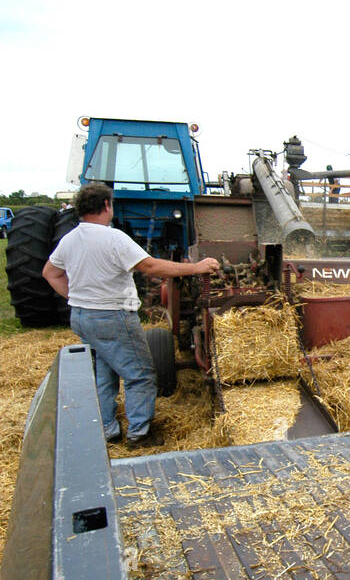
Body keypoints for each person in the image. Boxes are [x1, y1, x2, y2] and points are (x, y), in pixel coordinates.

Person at [43, 182, 220, 447]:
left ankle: (108, 430)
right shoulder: (112, 238)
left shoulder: (70, 239)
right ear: (106, 205)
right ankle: (139, 434)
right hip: (112, 317)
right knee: (140, 374)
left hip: (82, 317)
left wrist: (77, 298)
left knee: (105, 373)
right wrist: (197, 268)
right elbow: (149, 265)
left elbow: (50, 273)